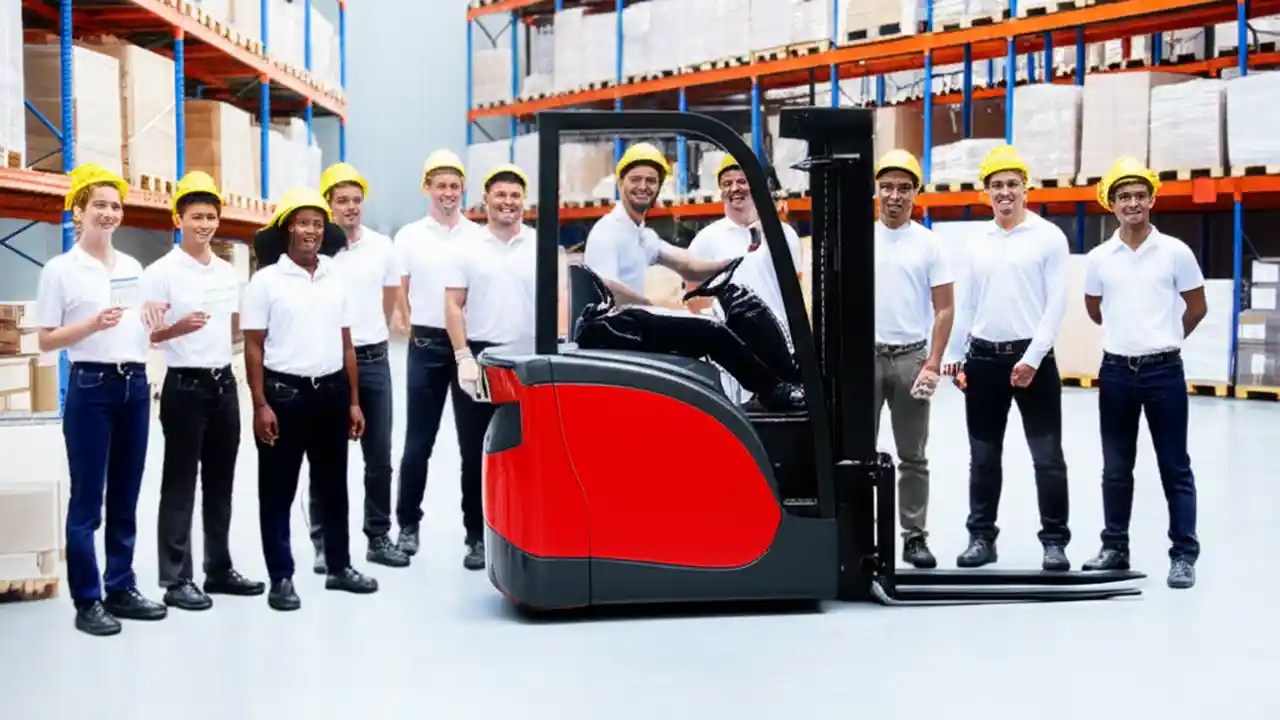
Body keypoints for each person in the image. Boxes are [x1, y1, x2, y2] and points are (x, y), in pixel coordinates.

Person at [35, 163, 167, 636]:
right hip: (91, 388)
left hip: (134, 385)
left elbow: (137, 328)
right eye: (100, 206)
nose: (110, 213)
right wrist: (91, 325)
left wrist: (151, 319)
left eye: (115, 205)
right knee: (88, 500)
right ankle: (87, 600)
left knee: (127, 496)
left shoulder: (132, 267)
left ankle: (121, 586)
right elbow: (47, 340)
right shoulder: (60, 271)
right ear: (78, 212)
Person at [240, 187, 378, 611]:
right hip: (284, 396)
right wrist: (261, 404)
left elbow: (347, 344)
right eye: (303, 223)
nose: (311, 231)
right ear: (287, 230)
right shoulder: (265, 282)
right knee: (277, 491)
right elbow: (253, 348)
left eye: (318, 224)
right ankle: (281, 577)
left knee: (334, 487)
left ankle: (339, 567)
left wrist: (353, 401)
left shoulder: (337, 279)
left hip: (332, 394)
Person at [943, 144, 1071, 572]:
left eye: (1012, 184)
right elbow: (969, 305)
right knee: (982, 457)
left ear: (1026, 190)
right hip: (983, 361)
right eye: (996, 185)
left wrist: (1034, 358)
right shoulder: (977, 241)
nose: (1004, 192)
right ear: (986, 193)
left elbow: (1056, 305)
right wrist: (956, 356)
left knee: (1047, 457)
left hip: (1032, 361)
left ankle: (1054, 542)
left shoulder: (1049, 237)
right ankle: (982, 539)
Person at [140, 171, 265, 611]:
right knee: (179, 484)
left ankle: (219, 568)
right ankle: (176, 579)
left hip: (222, 386)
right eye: (196, 217)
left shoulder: (229, 271)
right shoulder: (159, 273)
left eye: (211, 216)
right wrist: (178, 326)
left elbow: (234, 328)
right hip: (184, 387)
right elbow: (149, 338)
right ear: (178, 219)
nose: (205, 225)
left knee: (221, 482)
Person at [1081, 157, 1205, 589]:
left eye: (1139, 195)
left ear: (1152, 199)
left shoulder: (1175, 252)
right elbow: (1094, 310)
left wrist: (1165, 337)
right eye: (1123, 197)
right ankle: (1115, 547)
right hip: (1115, 373)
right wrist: (1129, 336)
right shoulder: (1099, 258)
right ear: (1111, 204)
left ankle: (1183, 554)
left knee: (1175, 466)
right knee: (1116, 467)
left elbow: (1197, 307)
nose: (1132, 203)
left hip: (1163, 372)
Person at [307, 163, 410, 573]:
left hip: (372, 360)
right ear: (328, 205)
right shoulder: (316, 254)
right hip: (329, 363)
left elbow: (388, 301)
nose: (350, 208)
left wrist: (369, 334)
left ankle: (378, 535)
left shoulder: (382, 247)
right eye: (341, 201)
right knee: (326, 457)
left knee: (379, 456)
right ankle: (324, 542)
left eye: (355, 200)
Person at [443, 163, 538, 570]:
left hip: (530, 356)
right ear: (486, 201)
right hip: (480, 358)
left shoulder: (539, 244)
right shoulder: (467, 248)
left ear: (524, 202)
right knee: (475, 450)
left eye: (515, 196)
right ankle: (476, 536)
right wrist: (463, 356)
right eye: (500, 195)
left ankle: (528, 531)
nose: (508, 202)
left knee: (532, 449)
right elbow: (452, 304)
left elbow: (558, 298)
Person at [869, 150, 955, 570]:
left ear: (916, 194)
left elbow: (944, 308)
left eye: (904, 188)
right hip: (864, 358)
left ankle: (914, 537)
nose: (895, 195)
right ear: (876, 190)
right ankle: (858, 535)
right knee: (858, 454)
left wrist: (933, 363)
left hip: (910, 359)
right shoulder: (861, 238)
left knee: (913, 456)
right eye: (887, 187)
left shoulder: (930, 245)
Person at [393, 149, 480, 557]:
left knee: (473, 443)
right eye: (440, 185)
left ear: (463, 189)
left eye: (454, 186)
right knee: (418, 442)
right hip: (426, 344)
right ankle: (407, 525)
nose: (448, 192)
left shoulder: (477, 237)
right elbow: (400, 292)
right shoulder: (410, 236)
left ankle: (476, 533)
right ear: (427, 188)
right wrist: (412, 330)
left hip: (467, 346)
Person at [687, 154, 804, 403]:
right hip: (732, 356)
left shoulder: (784, 236)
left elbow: (793, 295)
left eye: (742, 181)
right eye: (727, 183)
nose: (734, 189)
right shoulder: (706, 240)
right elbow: (694, 300)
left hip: (778, 351)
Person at [582, 142, 731, 305]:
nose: (643, 186)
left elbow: (689, 267)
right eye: (635, 179)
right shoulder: (606, 232)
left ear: (659, 187)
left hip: (631, 326)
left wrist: (732, 263)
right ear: (621, 182)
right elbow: (605, 288)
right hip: (610, 329)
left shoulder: (644, 236)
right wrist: (654, 310)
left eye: (651, 181)